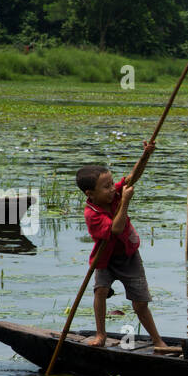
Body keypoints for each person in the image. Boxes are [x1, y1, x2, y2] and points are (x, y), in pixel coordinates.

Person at [76, 142, 166, 348]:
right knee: (100, 291)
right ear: (90, 193)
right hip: (104, 258)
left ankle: (158, 341)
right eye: (106, 187)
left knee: (141, 303)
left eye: (111, 185)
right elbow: (116, 229)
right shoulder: (92, 213)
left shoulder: (114, 193)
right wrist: (125, 201)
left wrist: (145, 155)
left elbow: (133, 177)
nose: (111, 189)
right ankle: (101, 336)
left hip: (129, 256)